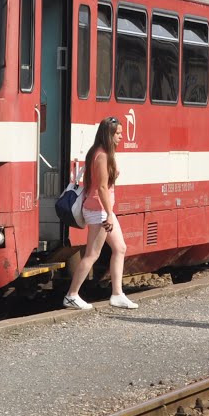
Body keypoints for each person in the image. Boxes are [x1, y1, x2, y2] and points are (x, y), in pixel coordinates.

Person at [63, 117, 138, 310]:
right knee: (92, 254)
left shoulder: (97, 152)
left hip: (101, 209)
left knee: (120, 248)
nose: (121, 137)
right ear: (108, 135)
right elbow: (103, 187)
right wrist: (110, 214)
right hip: (100, 211)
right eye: (118, 134)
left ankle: (117, 294)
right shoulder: (103, 156)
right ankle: (71, 295)